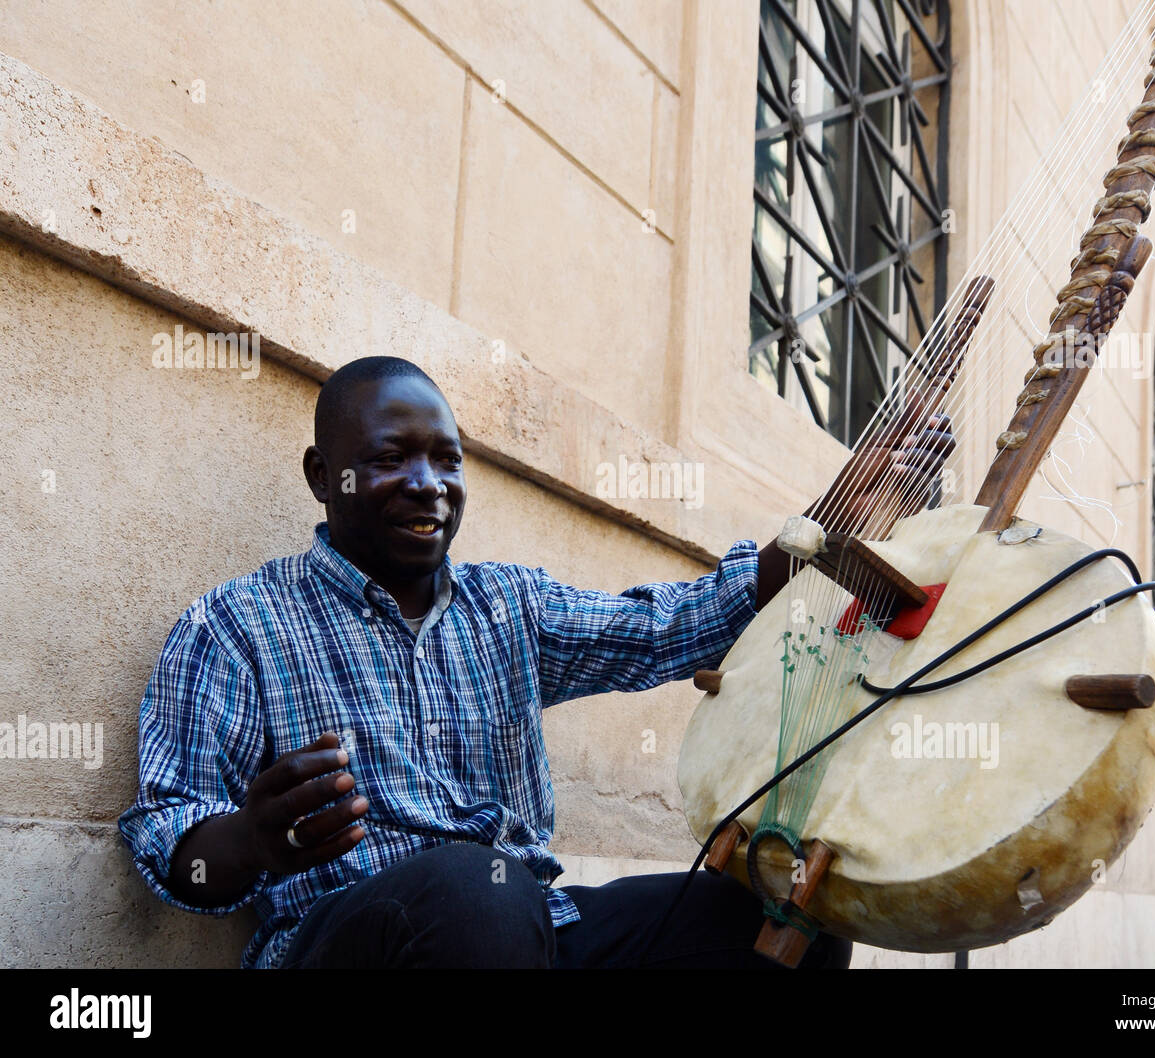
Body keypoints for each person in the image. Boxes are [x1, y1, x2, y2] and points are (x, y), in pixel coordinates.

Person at [118, 356, 952, 969]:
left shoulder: (508, 607)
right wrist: (252, 840)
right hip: (345, 945)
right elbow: (167, 846)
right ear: (321, 475)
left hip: (530, 932)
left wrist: (832, 524)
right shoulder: (236, 626)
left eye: (447, 460)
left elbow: (672, 627)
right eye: (388, 459)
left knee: (795, 912)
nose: (428, 484)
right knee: (478, 887)